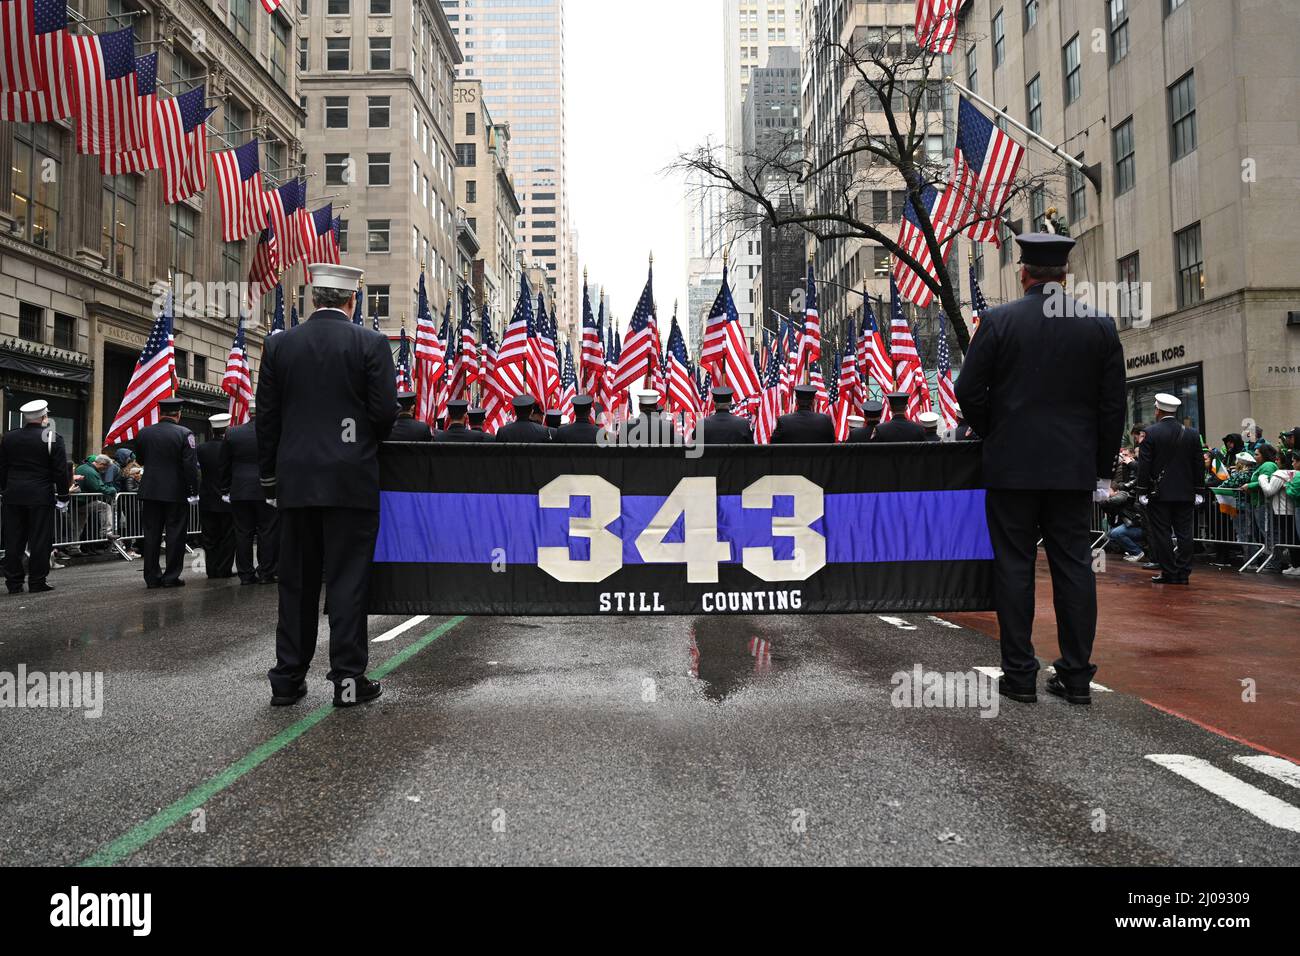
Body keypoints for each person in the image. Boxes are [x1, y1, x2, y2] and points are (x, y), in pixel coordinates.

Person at [954, 232, 1126, 706]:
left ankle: (1020, 674)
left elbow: (967, 391)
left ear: (1024, 273)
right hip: (1072, 471)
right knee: (1074, 568)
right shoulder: (1099, 325)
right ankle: (1075, 677)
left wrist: (996, 431)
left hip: (1011, 468)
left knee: (1014, 565)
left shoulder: (999, 321)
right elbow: (1114, 408)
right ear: (1064, 275)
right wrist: (1102, 470)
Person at [257, 263, 398, 709]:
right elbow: (384, 413)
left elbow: (268, 418)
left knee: (295, 582)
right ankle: (347, 681)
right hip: (351, 480)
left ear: (313, 299)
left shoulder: (279, 346)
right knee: (347, 581)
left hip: (296, 483)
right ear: (352, 301)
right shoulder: (371, 343)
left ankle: (287, 680)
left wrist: (269, 477)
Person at [0, 400, 69, 594]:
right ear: (44, 416)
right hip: (40, 495)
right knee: (39, 540)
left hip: (13, 495)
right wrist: (63, 495)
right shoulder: (51, 438)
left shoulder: (9, 437)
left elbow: (3, 467)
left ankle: (13, 583)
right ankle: (37, 581)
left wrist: (6, 488)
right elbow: (60, 471)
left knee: (13, 540)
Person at [133, 396, 200, 589]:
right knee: (175, 534)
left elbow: (141, 459)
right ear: (178, 414)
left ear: (160, 413)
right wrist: (193, 491)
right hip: (175, 492)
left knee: (151, 535)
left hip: (151, 490)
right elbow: (190, 466)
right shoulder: (185, 433)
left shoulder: (144, 432)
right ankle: (171, 577)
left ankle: (152, 578)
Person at [1136, 394, 1202, 584]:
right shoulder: (1192, 433)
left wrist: (1142, 491)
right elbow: (1198, 464)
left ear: (1158, 410)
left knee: (1162, 533)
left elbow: (1144, 465)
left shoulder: (1151, 432)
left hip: (1160, 493)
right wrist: (1199, 490)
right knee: (1185, 533)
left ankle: (1169, 572)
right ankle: (1183, 572)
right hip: (1186, 492)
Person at [221, 405, 280, 586]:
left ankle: (245, 574)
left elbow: (224, 464)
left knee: (243, 533)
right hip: (266, 489)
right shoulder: (274, 432)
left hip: (240, 490)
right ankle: (266, 572)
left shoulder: (232, 432)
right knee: (267, 532)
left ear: (249, 413)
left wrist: (225, 490)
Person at [196, 413, 236, 579]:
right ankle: (224, 569)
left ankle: (211, 570)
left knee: (209, 536)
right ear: (227, 429)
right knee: (228, 535)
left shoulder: (201, 448)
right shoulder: (232, 447)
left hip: (207, 497)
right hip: (227, 496)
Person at [72, 455, 119, 552]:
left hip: (78, 501)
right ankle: (107, 532)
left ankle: (73, 547)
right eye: (105, 467)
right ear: (101, 464)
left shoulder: (83, 467)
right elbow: (98, 487)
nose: (105, 470)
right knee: (105, 507)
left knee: (78, 526)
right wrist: (112, 490)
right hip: (84, 501)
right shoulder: (90, 471)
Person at [771, 384, 836, 444]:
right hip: (819, 456)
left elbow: (773, 444)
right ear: (813, 402)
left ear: (796, 402)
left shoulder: (783, 421)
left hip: (791, 456)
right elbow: (832, 442)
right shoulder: (825, 421)